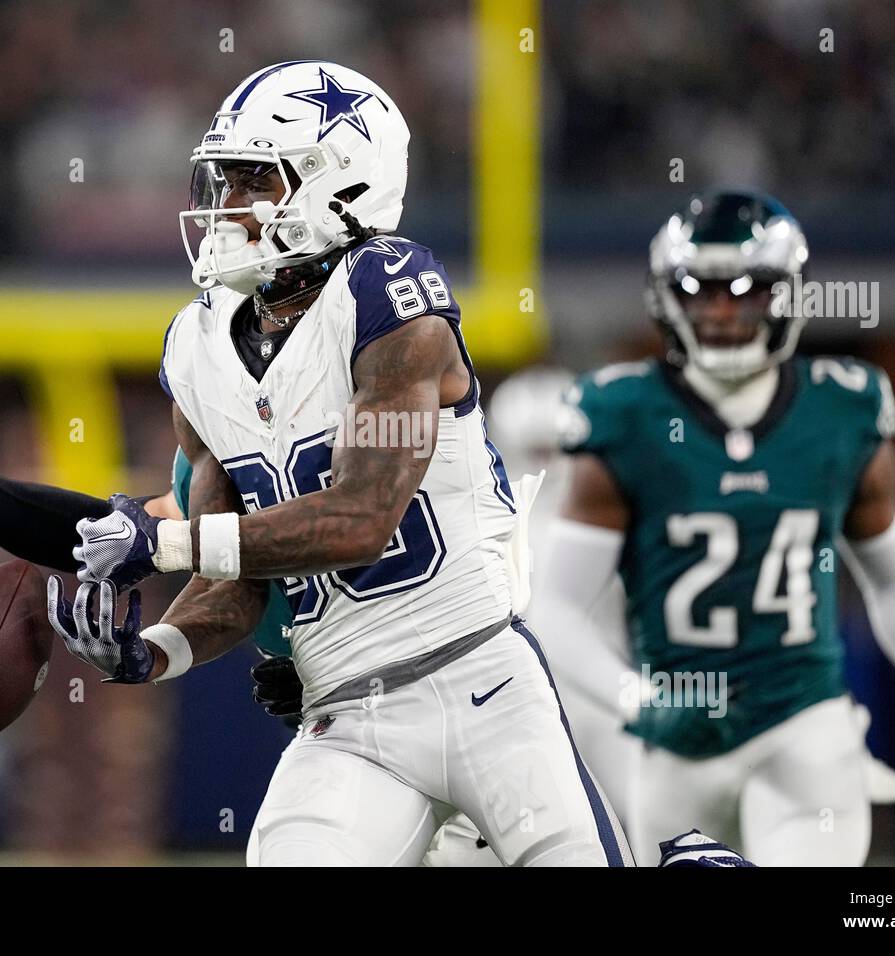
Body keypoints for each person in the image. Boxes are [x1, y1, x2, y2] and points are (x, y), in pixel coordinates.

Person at [46, 60, 631, 867]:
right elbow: (233, 580)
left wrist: (163, 542)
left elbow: (361, 519)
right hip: (347, 716)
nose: (226, 205)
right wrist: (155, 650)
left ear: (342, 182)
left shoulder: (387, 292)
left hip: (482, 680)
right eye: (223, 179)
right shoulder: (197, 348)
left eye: (255, 179)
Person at [533, 189, 895, 865]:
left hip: (804, 728)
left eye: (747, 291)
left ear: (788, 295)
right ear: (667, 298)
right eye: (701, 292)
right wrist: (640, 701)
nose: (721, 312)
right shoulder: (627, 417)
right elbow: (556, 609)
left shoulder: (840, 409)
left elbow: (892, 576)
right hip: (678, 742)